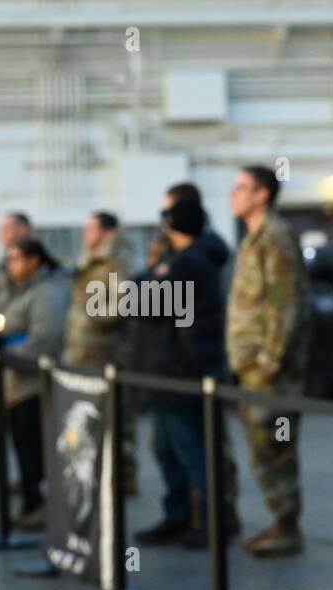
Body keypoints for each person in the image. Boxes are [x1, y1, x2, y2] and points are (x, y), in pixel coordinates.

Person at [226, 164, 311, 556]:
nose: (234, 194)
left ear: (262, 194)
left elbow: (285, 302)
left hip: (269, 370)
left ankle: (287, 524)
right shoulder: (253, 238)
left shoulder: (274, 236)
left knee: (275, 445)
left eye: (242, 188)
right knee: (262, 448)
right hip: (252, 368)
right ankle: (279, 520)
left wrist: (270, 361)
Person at [133, 200, 227, 548]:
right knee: (167, 449)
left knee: (190, 451)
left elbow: (144, 305)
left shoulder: (189, 263)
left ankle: (210, 521)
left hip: (181, 369)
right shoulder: (183, 261)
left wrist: (149, 273)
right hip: (169, 368)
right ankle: (179, 515)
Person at [62, 211, 138, 490]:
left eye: (91, 228)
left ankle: (123, 477)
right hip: (84, 353)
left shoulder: (116, 263)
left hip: (107, 353)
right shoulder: (89, 262)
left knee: (117, 418)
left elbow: (123, 305)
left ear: (107, 232)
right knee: (89, 416)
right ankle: (100, 472)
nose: (85, 233)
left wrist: (90, 317)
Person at [0, 237, 68, 529]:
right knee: (23, 446)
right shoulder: (19, 290)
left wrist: (8, 352)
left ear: (34, 260)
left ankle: (39, 505)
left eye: (16, 259)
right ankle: (31, 502)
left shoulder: (46, 293)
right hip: (16, 383)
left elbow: (45, 338)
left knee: (34, 448)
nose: (11, 266)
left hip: (33, 385)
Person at [0, 212, 32, 335]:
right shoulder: (0, 266)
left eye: (7, 229)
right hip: (2, 335)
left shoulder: (36, 263)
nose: (2, 234)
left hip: (27, 337)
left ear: (23, 230)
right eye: (1, 230)